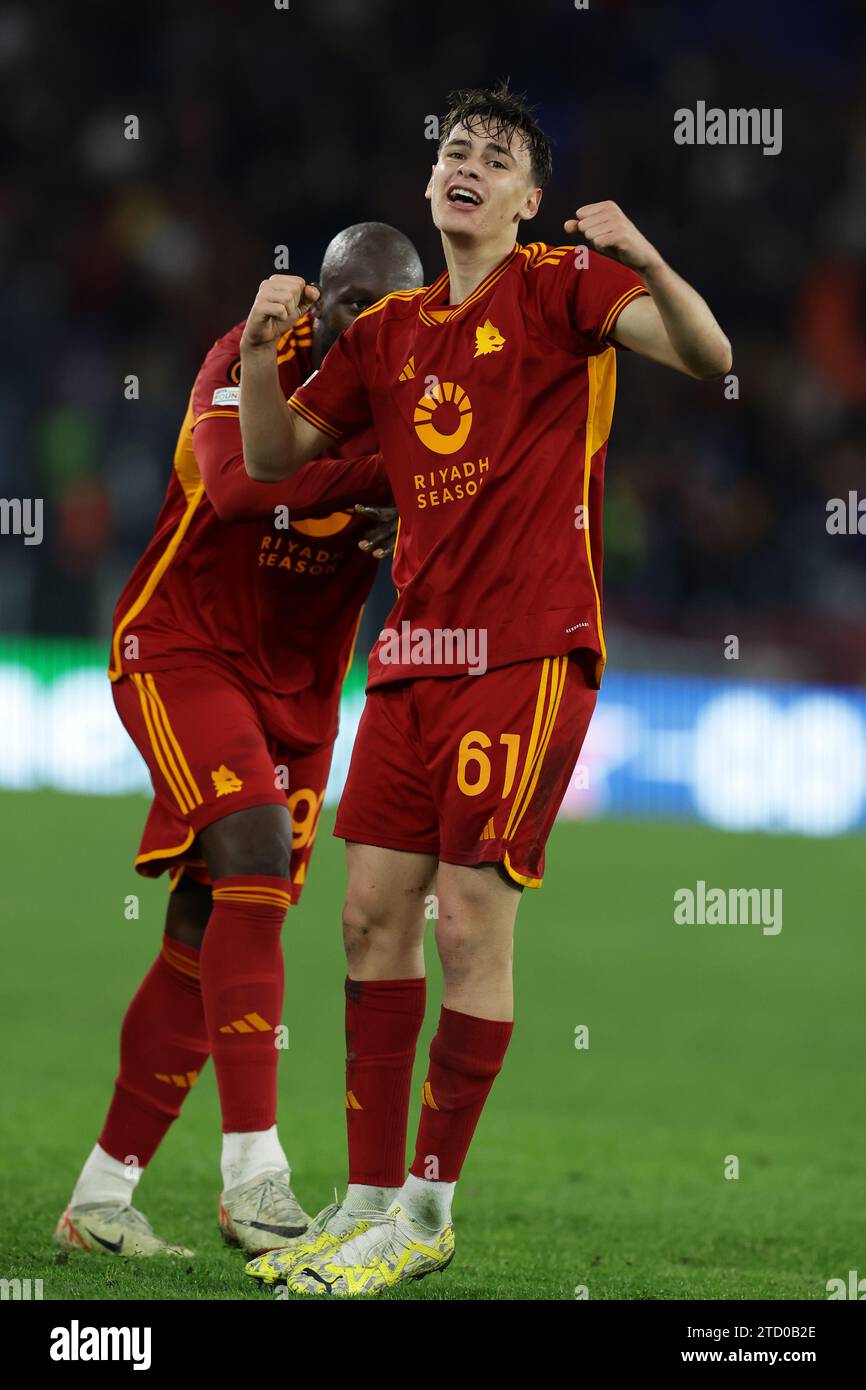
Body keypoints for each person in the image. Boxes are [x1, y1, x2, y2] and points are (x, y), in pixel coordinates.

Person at [238, 83, 732, 1296]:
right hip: (409, 656)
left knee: (466, 925)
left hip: (525, 651)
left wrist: (646, 256)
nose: (468, 163)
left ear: (528, 199)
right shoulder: (387, 330)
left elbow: (708, 355)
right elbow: (267, 458)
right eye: (454, 149)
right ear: (429, 184)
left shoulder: (564, 287)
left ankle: (425, 1211)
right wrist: (257, 353)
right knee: (365, 920)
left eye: (496, 156)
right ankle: (361, 1203)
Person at [54, 223, 424, 1259]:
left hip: (301, 697)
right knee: (253, 858)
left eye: (393, 310)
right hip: (181, 653)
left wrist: (418, 510)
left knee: (200, 927)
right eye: (355, 305)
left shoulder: (415, 401)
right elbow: (234, 487)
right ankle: (254, 1174)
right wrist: (370, 489)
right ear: (320, 298)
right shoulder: (247, 355)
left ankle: (100, 1198)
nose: (372, 328)